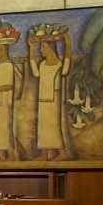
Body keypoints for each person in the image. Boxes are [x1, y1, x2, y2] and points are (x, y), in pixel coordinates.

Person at [31, 28, 72, 160]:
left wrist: (68, 44)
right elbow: (36, 73)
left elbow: (66, 66)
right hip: (42, 99)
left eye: (42, 47)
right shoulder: (42, 64)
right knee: (42, 127)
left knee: (54, 126)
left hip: (54, 101)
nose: (41, 50)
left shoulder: (59, 65)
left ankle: (62, 152)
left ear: (50, 48)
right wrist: (31, 48)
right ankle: (44, 153)